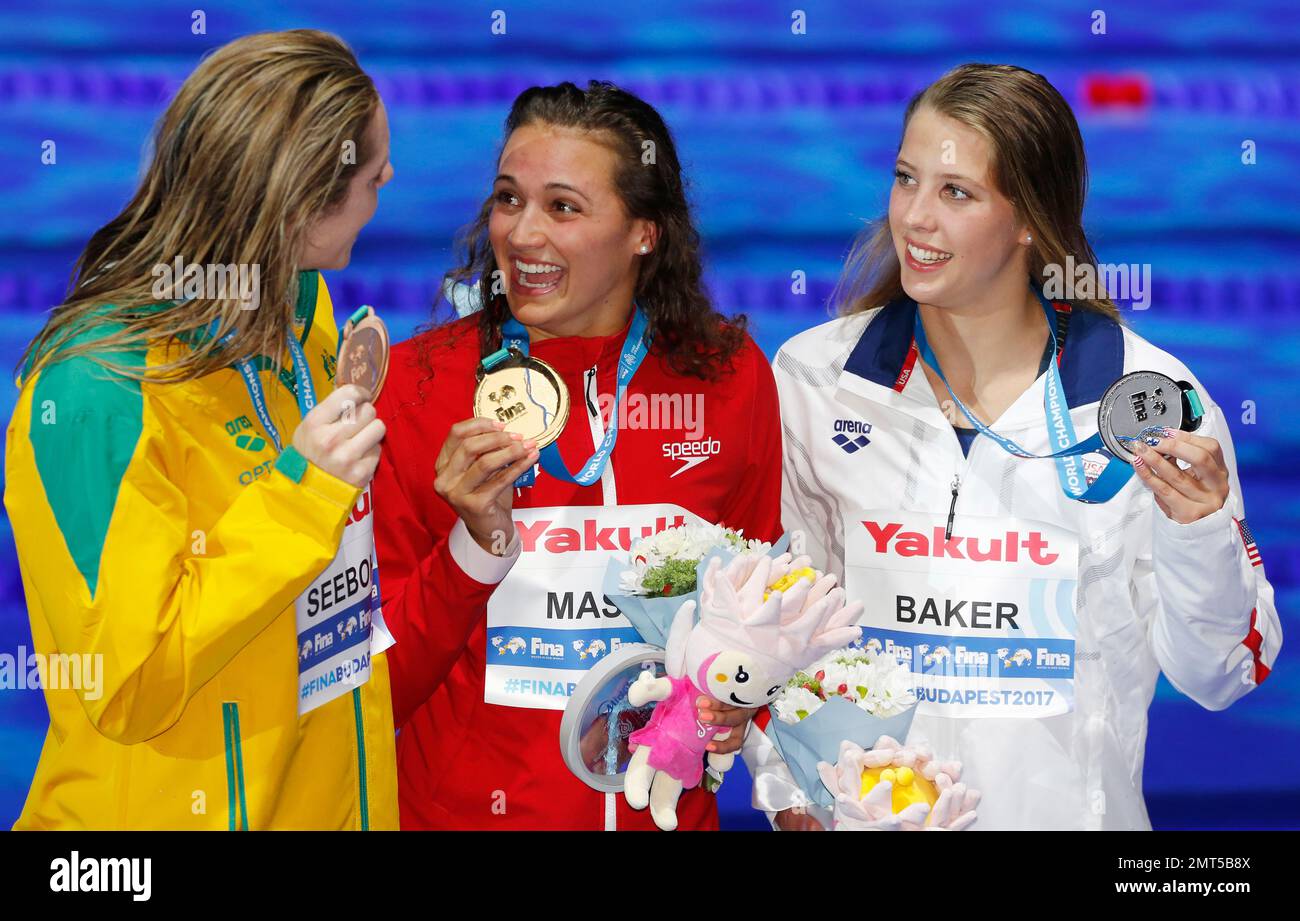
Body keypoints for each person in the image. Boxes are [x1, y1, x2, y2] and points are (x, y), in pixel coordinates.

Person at [750, 63, 1281, 830]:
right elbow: (780, 615)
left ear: (1030, 218)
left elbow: (1221, 675)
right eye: (906, 179)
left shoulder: (1145, 398)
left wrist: (1198, 531)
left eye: (956, 192)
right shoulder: (815, 377)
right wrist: (790, 793)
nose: (915, 218)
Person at [5, 30, 398, 829]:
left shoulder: (299, 308)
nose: (390, 175)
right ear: (296, 205)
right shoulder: (97, 391)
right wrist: (300, 496)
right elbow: (130, 681)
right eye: (371, 169)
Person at [371, 80, 782, 830]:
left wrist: (734, 703)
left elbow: (762, 615)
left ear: (643, 232)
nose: (523, 235)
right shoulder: (418, 388)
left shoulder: (727, 377)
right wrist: (474, 544)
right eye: (507, 199)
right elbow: (376, 688)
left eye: (562, 207)